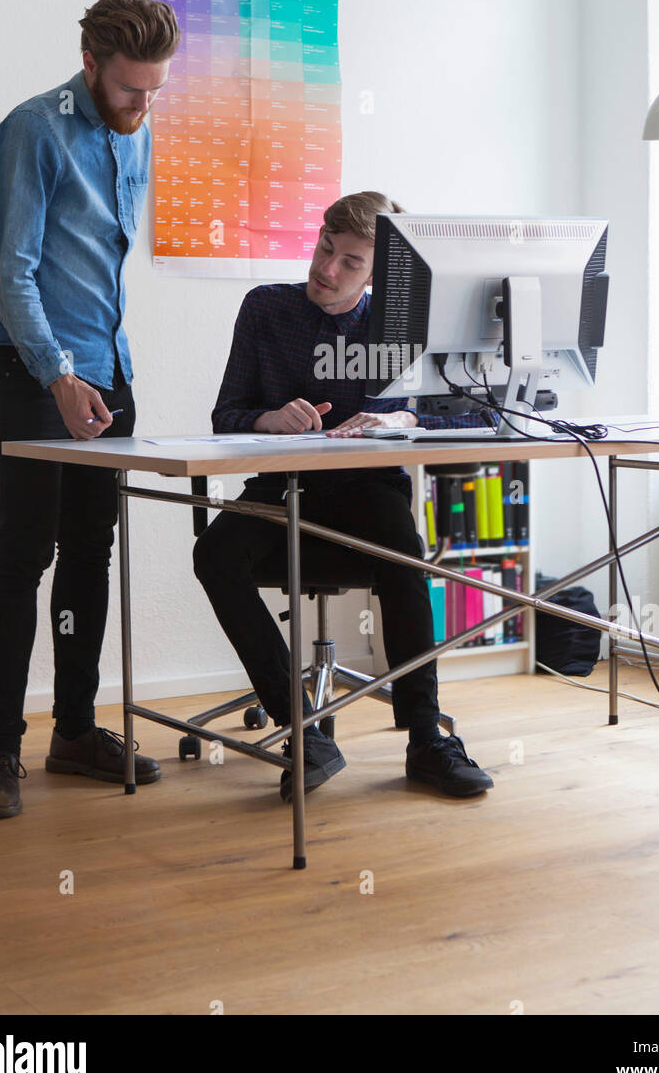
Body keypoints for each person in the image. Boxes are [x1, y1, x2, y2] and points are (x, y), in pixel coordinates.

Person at [193, 191, 496, 801]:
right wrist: (266, 419)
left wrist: (401, 420)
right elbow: (226, 414)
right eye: (325, 248)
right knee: (214, 554)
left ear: (380, 275)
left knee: (405, 560)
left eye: (350, 262)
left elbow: (470, 416)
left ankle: (426, 740)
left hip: (367, 488)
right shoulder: (265, 308)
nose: (327, 269)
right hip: (283, 488)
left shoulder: (405, 326)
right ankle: (301, 726)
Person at [0, 0, 181, 819]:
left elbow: (105, 267)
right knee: (24, 553)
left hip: (110, 375)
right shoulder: (33, 128)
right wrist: (57, 373)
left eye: (155, 90)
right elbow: (11, 271)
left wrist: (102, 374)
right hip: (33, 377)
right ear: (90, 64)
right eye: (131, 90)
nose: (143, 106)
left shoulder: (139, 131)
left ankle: (75, 731)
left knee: (91, 552)